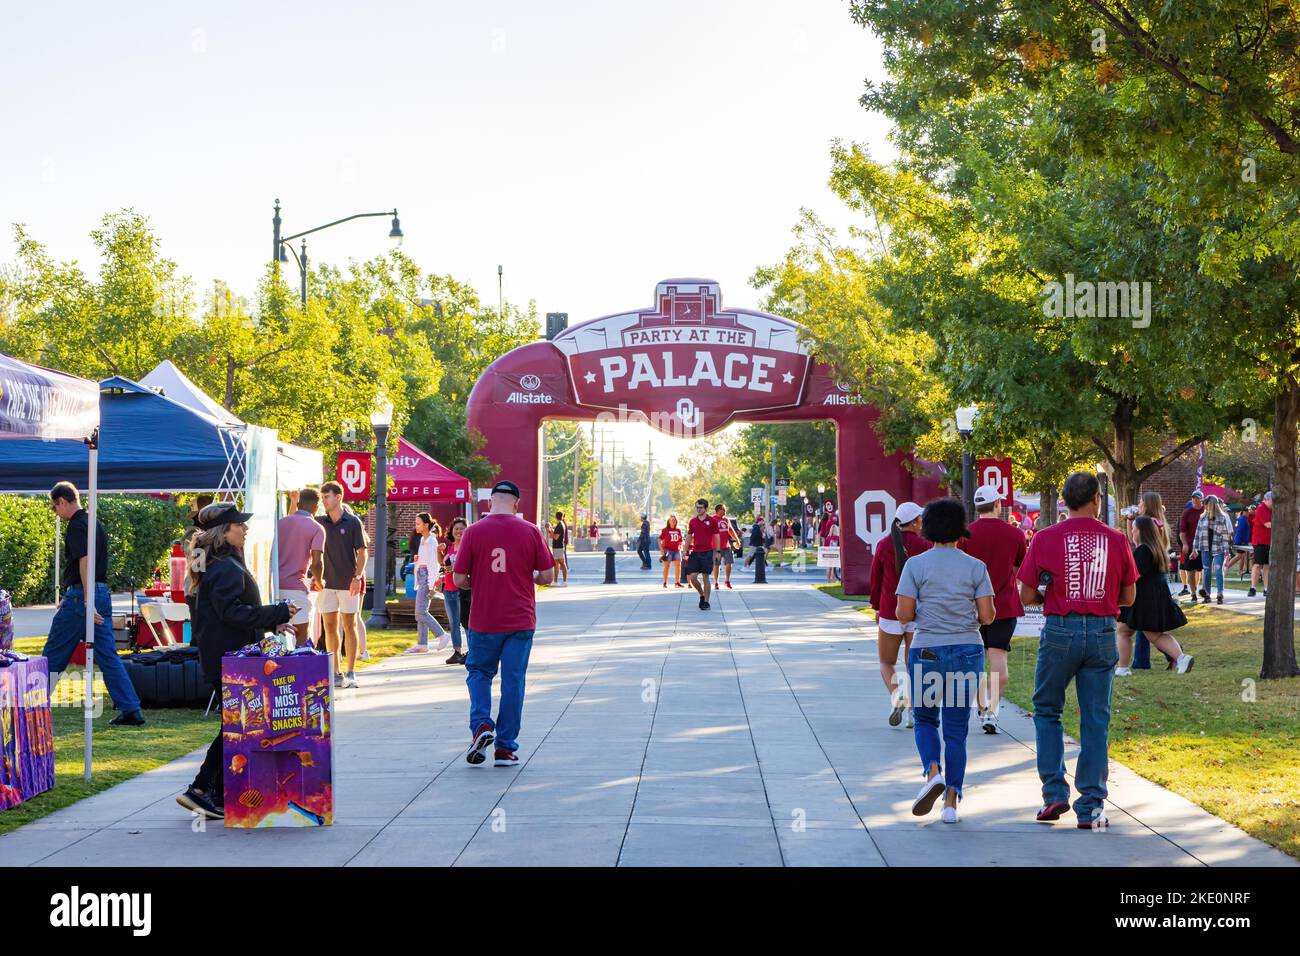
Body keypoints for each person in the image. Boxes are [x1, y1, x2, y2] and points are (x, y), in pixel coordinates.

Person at [1018, 470, 1137, 830]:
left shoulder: (1044, 537)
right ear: (1097, 499)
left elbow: (1025, 594)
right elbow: (1129, 597)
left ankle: (1054, 792)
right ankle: (1091, 805)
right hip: (1102, 632)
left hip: (1060, 630)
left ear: (1065, 500)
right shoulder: (1116, 539)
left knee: (1047, 709)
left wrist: (1048, 593)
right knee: (1095, 718)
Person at [176, 502, 295, 820]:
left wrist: (272, 619)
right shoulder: (224, 567)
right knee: (234, 725)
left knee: (236, 724)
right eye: (238, 525)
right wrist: (277, 612)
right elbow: (231, 613)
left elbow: (231, 612)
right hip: (231, 659)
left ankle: (212, 792)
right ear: (223, 532)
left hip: (230, 656)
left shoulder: (219, 563)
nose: (244, 529)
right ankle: (201, 789)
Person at [894, 498, 995, 825]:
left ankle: (932, 772)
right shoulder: (976, 567)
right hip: (967, 651)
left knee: (924, 719)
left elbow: (904, 614)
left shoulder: (915, 566)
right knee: (956, 730)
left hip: (927, 651)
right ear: (960, 529)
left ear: (928, 528)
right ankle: (951, 803)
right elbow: (988, 616)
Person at [453, 480, 554, 766]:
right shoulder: (531, 531)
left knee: (479, 673)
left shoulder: (473, 532)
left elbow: (459, 579)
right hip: (520, 619)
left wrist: (478, 582)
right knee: (513, 681)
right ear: (516, 504)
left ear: (490, 503)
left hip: (484, 618)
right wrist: (528, 577)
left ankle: (482, 725)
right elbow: (547, 576)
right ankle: (505, 748)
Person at [43, 482, 145, 726]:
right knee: (108, 655)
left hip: (84, 597)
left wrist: (83, 600)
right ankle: (131, 709)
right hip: (98, 593)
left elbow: (85, 562)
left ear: (63, 502)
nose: (56, 513)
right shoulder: (94, 522)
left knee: (54, 652)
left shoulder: (77, 525)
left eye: (55, 508)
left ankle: (30, 705)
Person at [959, 485, 1027, 734]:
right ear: (998, 504)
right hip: (1004, 605)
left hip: (971, 606)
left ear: (977, 507)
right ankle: (992, 710)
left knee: (976, 661)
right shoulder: (1015, 534)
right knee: (999, 659)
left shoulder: (965, 534)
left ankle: (982, 707)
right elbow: (1020, 570)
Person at [868, 501, 928, 728]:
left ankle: (897, 696)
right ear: (913, 522)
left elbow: (876, 580)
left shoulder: (884, 545)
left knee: (886, 662)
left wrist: (875, 606)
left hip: (890, 610)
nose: (922, 523)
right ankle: (914, 711)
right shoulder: (925, 545)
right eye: (920, 519)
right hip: (917, 611)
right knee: (914, 665)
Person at [1115, 516, 1193, 676]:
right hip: (1152, 597)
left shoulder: (1144, 550)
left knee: (1133, 632)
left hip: (1144, 599)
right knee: (1129, 630)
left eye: (1134, 528)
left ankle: (1123, 668)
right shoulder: (1155, 548)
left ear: (1142, 531)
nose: (1132, 531)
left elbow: (1134, 574)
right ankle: (1180, 658)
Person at [315, 481, 367, 688]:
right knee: (329, 627)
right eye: (321, 497)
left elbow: (363, 552)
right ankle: (335, 672)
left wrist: (357, 577)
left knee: (349, 625)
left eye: (326, 497)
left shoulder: (352, 522)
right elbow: (297, 520)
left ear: (338, 497)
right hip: (326, 584)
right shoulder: (319, 521)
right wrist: (293, 502)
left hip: (348, 583)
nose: (323, 501)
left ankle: (351, 672)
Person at [276, 487, 324, 646]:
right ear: (316, 507)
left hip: (273, 585)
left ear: (299, 504)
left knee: (277, 634)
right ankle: (300, 670)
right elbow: (317, 562)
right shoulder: (316, 528)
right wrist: (319, 581)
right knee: (301, 634)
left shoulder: (281, 523)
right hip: (296, 586)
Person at [407, 512, 451, 654]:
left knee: (420, 612)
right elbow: (425, 561)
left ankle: (442, 635)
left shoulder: (432, 541)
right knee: (421, 610)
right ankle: (422, 644)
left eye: (418, 523)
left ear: (426, 525)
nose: (416, 526)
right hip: (421, 575)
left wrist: (433, 585)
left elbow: (433, 565)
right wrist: (417, 560)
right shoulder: (423, 540)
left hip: (427, 578)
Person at [1190, 495, 1234, 605]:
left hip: (1218, 548)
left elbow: (1224, 535)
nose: (1204, 505)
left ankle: (1220, 593)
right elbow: (1197, 534)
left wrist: (1227, 550)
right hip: (1205, 548)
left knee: (1218, 571)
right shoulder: (1202, 517)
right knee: (1207, 572)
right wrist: (1194, 549)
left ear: (1211, 505)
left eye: (1206, 503)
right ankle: (1207, 594)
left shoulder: (1222, 517)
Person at [440, 518, 469, 665]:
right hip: (448, 588)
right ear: (451, 531)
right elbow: (443, 564)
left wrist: (455, 568)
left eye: (462, 528)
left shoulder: (467, 547)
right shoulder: (449, 547)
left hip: (462, 589)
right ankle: (457, 651)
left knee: (466, 621)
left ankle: (472, 651)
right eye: (456, 528)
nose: (458, 531)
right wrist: (440, 552)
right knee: (453, 623)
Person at [684, 498, 715, 610]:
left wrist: (718, 551)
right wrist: (685, 550)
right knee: (692, 577)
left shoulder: (712, 521)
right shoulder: (692, 521)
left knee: (706, 577)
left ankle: (706, 602)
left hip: (707, 552)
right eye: (697, 507)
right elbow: (689, 536)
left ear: (705, 508)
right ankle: (702, 594)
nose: (698, 509)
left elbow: (716, 536)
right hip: (696, 553)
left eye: (700, 507)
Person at [1177, 490, 1205, 601]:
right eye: (1193, 498)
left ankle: (1205, 592)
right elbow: (1182, 531)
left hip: (1205, 545)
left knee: (1205, 570)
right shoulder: (1187, 513)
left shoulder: (1206, 511)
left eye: (1197, 498)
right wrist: (1184, 544)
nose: (1195, 500)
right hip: (1191, 545)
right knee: (1190, 570)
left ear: (1202, 499)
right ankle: (1193, 593)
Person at [711, 503, 741, 590]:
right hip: (716, 547)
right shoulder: (713, 519)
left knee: (729, 563)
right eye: (721, 509)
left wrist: (737, 540)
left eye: (724, 509)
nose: (723, 511)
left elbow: (731, 531)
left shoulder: (726, 520)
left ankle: (727, 580)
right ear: (717, 510)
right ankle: (716, 582)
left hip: (726, 546)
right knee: (716, 565)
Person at [1249, 491, 1273, 597]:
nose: (1274, 503)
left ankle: (1266, 589)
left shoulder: (1271, 510)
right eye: (1273, 501)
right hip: (1259, 541)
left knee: (1267, 565)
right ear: (1267, 500)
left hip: (1269, 541)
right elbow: (1267, 524)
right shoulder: (1261, 509)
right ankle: (1252, 588)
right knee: (1258, 564)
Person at [659, 514, 685, 588]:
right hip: (668, 550)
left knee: (678, 566)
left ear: (676, 521)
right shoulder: (665, 530)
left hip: (676, 550)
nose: (673, 521)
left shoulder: (678, 530)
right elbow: (659, 539)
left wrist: (682, 545)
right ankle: (665, 582)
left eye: (674, 520)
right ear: (669, 521)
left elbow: (680, 540)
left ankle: (677, 582)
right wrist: (661, 550)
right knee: (667, 566)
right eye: (671, 520)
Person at [1228, 504, 1254, 574]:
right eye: (1247, 511)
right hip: (1241, 541)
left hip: (1243, 541)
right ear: (1244, 512)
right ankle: (1226, 567)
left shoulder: (1242, 519)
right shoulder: (1242, 519)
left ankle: (1246, 571)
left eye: (1248, 511)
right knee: (1239, 556)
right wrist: (1238, 541)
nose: (1248, 513)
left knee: (1242, 556)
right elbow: (1239, 531)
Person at [549, 511, 570, 585]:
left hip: (558, 547)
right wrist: (551, 532)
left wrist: (550, 530)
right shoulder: (562, 524)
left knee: (561, 563)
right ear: (562, 516)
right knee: (557, 564)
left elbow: (556, 537)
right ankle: (556, 581)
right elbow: (553, 536)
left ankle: (562, 581)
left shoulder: (559, 525)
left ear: (556, 517)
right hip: (558, 547)